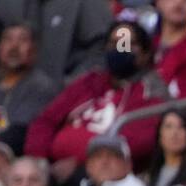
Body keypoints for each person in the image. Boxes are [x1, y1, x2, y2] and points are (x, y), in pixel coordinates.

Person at [24, 21, 168, 177]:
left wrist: (80, 161)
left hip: (102, 171)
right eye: (115, 43)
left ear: (145, 54)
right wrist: (40, 162)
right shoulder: (89, 81)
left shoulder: (153, 90)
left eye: (128, 43)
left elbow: (136, 144)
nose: (120, 49)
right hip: (53, 164)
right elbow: (46, 119)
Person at [0, 24, 58, 153]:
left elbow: (16, 135)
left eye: (22, 40)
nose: (14, 46)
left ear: (34, 50)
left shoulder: (42, 88)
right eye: (8, 39)